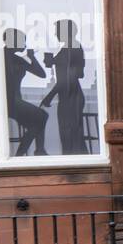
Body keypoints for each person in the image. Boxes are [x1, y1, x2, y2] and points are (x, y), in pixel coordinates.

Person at [0, 28, 48, 156]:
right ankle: (32, 152)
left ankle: (28, 153)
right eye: (23, 41)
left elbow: (41, 74)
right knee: (41, 116)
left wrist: (31, 57)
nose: (25, 45)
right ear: (13, 41)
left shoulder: (18, 60)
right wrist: (3, 74)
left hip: (15, 101)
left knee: (38, 122)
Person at [40, 19, 88, 155]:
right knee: (71, 134)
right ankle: (75, 161)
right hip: (69, 95)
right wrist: (54, 61)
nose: (55, 34)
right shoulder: (71, 47)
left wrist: (49, 96)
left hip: (71, 96)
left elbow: (69, 77)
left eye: (57, 31)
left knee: (69, 133)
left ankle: (74, 163)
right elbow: (76, 73)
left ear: (66, 31)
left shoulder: (72, 47)